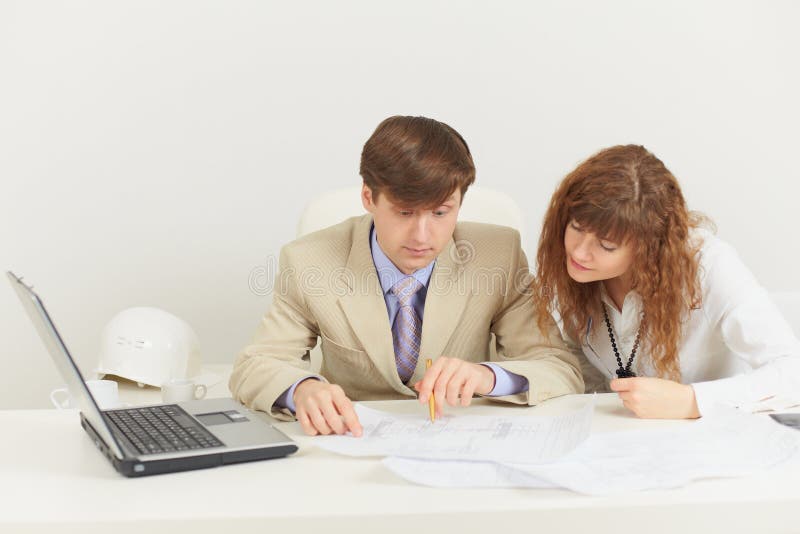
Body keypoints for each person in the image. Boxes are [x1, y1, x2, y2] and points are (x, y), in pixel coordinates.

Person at [230, 115, 583, 436]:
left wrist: (487, 377)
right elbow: (255, 365)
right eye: (404, 212)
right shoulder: (308, 261)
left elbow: (558, 366)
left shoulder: (499, 254)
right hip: (351, 445)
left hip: (459, 441)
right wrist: (302, 389)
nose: (422, 236)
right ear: (368, 197)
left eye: (441, 212)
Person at [533, 144, 800, 419]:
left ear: (647, 246)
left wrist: (692, 401)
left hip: (711, 441)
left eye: (606, 245)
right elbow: (582, 362)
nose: (578, 252)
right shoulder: (577, 271)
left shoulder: (710, 266)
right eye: (576, 227)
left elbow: (793, 371)